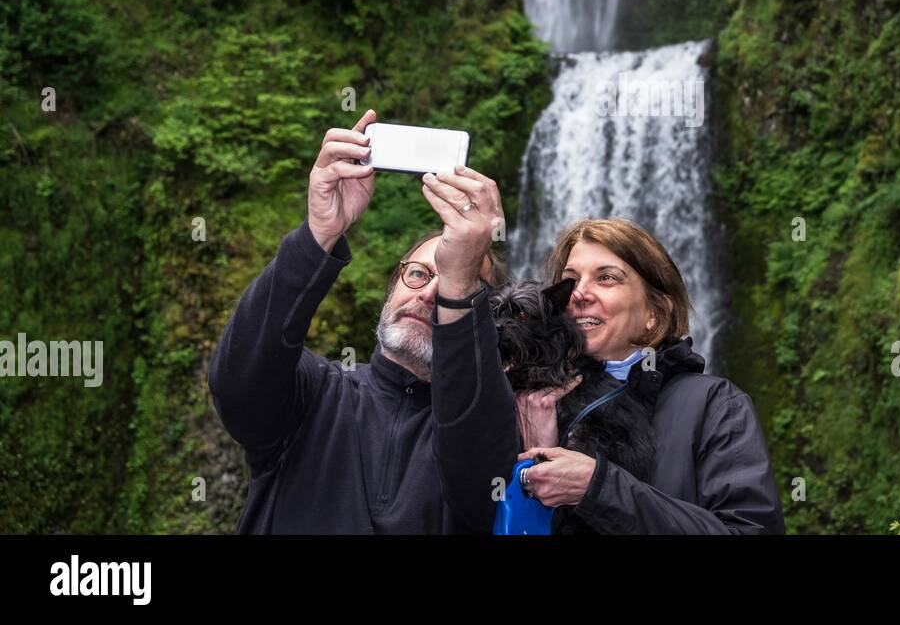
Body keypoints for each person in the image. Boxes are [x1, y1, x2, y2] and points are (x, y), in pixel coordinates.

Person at [208, 108, 517, 533]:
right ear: (392, 287)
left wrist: (462, 283)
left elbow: (482, 481)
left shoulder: (493, 430)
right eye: (419, 274)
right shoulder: (312, 394)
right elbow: (236, 383)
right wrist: (320, 232)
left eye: (450, 284)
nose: (428, 293)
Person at [514, 218, 785, 533]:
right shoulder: (523, 398)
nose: (579, 293)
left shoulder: (716, 405)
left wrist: (600, 488)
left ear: (654, 315)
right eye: (570, 279)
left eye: (606, 278)